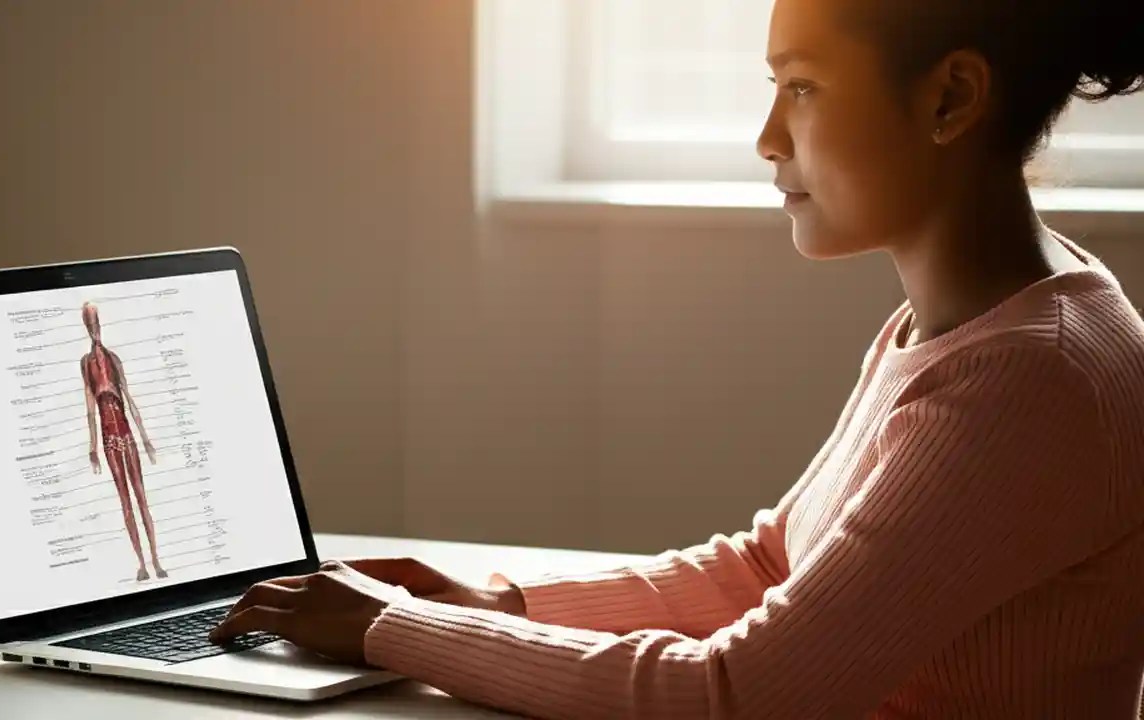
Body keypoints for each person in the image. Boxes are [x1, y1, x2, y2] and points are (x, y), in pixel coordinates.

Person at [210, 0, 1144, 716]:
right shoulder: (980, 320)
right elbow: (769, 567)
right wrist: (499, 606)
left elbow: (733, 695)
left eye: (803, 87)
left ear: (951, 98)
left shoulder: (1028, 380)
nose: (768, 138)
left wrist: (392, 630)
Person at [80, 301, 168, 583]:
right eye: (89, 324)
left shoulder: (113, 359)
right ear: (86, 327)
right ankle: (141, 563)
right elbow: (90, 407)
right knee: (125, 501)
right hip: (109, 439)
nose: (94, 329)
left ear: (100, 325)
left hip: (126, 435)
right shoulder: (86, 364)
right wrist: (93, 447)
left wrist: (146, 439)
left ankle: (156, 560)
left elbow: (129, 399)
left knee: (141, 497)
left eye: (96, 323)